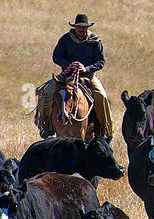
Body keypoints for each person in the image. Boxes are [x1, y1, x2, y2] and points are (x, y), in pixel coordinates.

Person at [38, 13, 114, 141]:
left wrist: (86, 68)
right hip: (67, 75)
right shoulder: (65, 40)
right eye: (79, 27)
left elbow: (101, 61)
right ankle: (47, 125)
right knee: (45, 92)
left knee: (101, 95)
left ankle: (103, 128)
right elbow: (56, 56)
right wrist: (69, 64)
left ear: (87, 28)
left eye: (84, 28)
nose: (81, 30)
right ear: (75, 27)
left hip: (88, 76)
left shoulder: (95, 41)